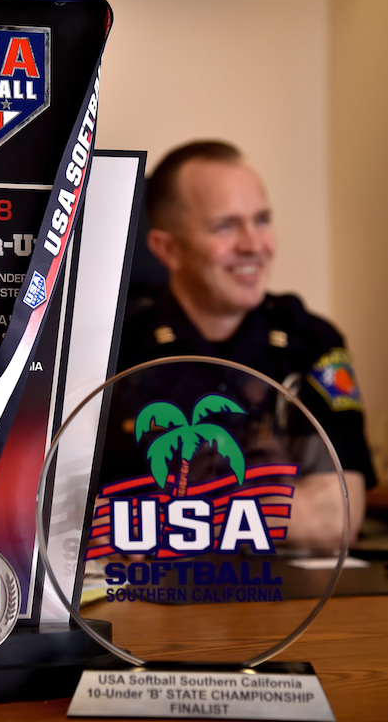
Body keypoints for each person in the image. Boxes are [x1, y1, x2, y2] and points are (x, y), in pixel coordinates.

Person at [115, 140, 376, 550]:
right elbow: (73, 511)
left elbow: (334, 516)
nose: (254, 245)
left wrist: (163, 518)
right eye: (226, 226)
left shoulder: (310, 341)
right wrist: (269, 506)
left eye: (262, 220)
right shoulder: (116, 347)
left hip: (278, 586)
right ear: (168, 249)